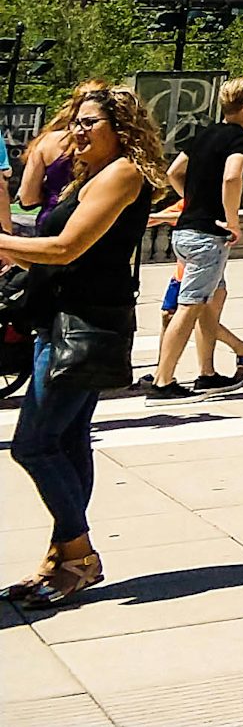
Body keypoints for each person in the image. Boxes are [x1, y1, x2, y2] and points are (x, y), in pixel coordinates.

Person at [0, 83, 168, 612]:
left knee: (35, 443)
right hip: (64, 319)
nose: (78, 129)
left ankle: (80, 552)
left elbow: (66, 247)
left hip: (85, 323)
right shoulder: (91, 175)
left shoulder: (121, 172)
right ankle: (63, 556)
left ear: (122, 128)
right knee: (69, 441)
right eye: (75, 120)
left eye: (90, 121)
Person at [149, 76, 243, 396]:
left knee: (211, 303)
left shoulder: (202, 134)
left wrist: (194, 199)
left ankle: (207, 372)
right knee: (190, 307)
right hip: (208, 237)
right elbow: (232, 177)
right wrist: (232, 221)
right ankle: (164, 380)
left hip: (185, 231)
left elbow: (173, 171)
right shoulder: (241, 139)